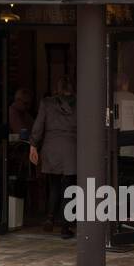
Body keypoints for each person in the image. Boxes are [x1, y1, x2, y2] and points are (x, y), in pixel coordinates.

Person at [29, 77, 77, 239]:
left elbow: (39, 124)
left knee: (54, 184)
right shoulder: (79, 103)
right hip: (71, 147)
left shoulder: (46, 103)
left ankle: (50, 217)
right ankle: (66, 226)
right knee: (69, 188)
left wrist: (33, 145)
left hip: (51, 148)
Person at [113, 72, 134, 183]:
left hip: (114, 147)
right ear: (125, 83)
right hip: (130, 148)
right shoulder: (131, 97)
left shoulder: (110, 97)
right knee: (130, 179)